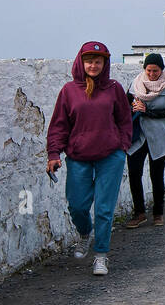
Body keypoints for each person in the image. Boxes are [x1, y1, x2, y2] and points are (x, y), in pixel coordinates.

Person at [46, 41, 132, 276]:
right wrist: (54, 153)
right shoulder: (69, 91)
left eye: (98, 61)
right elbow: (58, 126)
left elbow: (125, 120)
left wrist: (122, 145)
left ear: (105, 63)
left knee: (104, 208)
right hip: (79, 156)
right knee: (77, 205)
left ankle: (101, 255)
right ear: (80, 62)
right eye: (89, 61)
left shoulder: (114, 89)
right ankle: (85, 233)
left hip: (110, 156)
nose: (93, 65)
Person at [125, 53, 165, 228]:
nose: (152, 74)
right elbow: (125, 107)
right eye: (149, 70)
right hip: (138, 137)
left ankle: (158, 213)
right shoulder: (135, 85)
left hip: (159, 136)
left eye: (155, 71)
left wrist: (147, 111)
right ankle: (139, 212)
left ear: (161, 70)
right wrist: (134, 108)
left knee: (157, 176)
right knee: (134, 174)